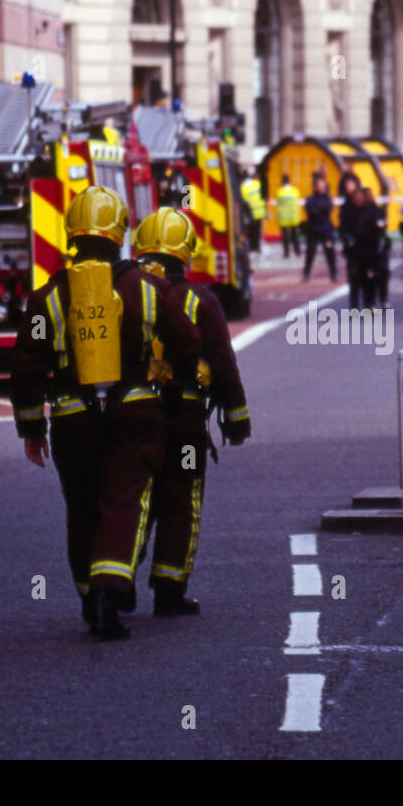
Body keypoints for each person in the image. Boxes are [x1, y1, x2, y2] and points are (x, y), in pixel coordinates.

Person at [12, 193, 200, 640]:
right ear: (120, 234)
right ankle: (108, 595)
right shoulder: (149, 289)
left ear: (71, 232)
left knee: (82, 508)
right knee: (123, 502)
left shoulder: (47, 298)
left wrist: (30, 426)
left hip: (72, 417)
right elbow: (187, 343)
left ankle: (86, 594)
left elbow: (27, 364)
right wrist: (175, 392)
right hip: (136, 410)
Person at [133, 207, 251, 615]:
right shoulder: (201, 299)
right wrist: (236, 419)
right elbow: (221, 360)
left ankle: (115, 581)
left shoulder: (127, 292)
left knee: (135, 495)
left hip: (135, 419)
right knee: (182, 498)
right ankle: (169, 590)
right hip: (185, 423)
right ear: (186, 252)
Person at [303, 175, 338, 283]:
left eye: (323, 186)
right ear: (315, 187)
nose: (321, 188)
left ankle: (333, 274)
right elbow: (310, 210)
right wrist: (318, 211)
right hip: (313, 229)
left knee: (330, 252)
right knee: (310, 252)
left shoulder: (327, 198)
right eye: (319, 186)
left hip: (326, 229)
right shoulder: (310, 199)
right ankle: (306, 273)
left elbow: (328, 209)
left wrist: (318, 211)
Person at [276, 175, 302, 259]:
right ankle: (297, 252)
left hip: (283, 218)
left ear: (282, 182)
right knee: (295, 236)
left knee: (285, 237)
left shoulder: (279, 192)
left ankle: (286, 253)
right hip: (294, 217)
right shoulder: (295, 191)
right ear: (289, 181)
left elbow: (278, 202)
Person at [239, 169, 265, 254]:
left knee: (251, 232)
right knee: (257, 231)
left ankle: (252, 248)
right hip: (260, 211)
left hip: (251, 213)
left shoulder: (242, 188)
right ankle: (257, 248)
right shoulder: (257, 183)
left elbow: (243, 202)